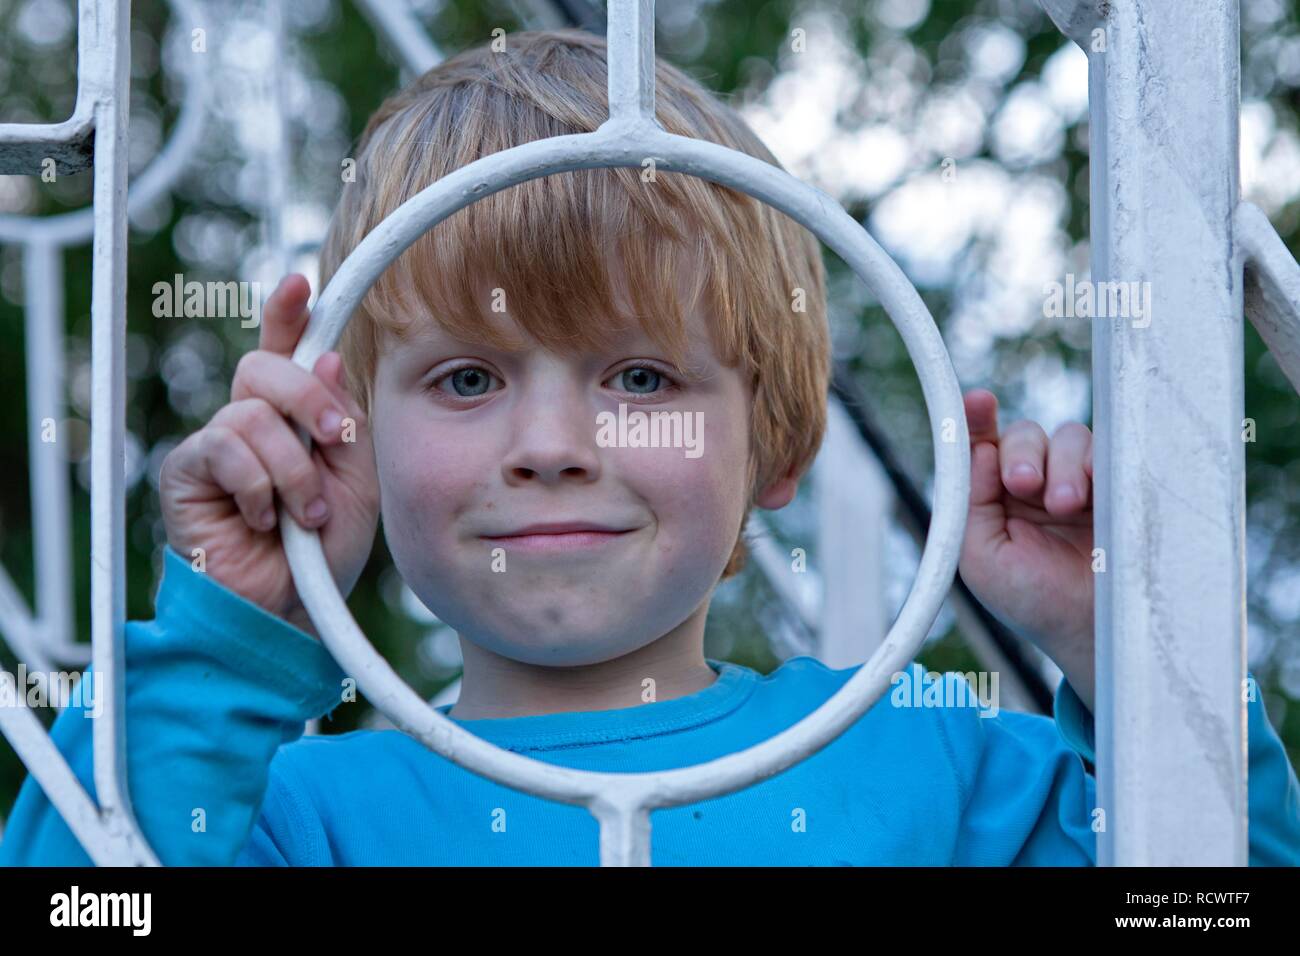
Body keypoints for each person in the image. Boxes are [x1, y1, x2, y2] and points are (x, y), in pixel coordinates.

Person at [3, 29, 1296, 866]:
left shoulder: (945, 769)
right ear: (345, 433)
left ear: (774, 446)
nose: (553, 444)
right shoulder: (296, 817)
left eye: (639, 377)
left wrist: (1119, 643)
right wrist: (230, 635)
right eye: (467, 378)